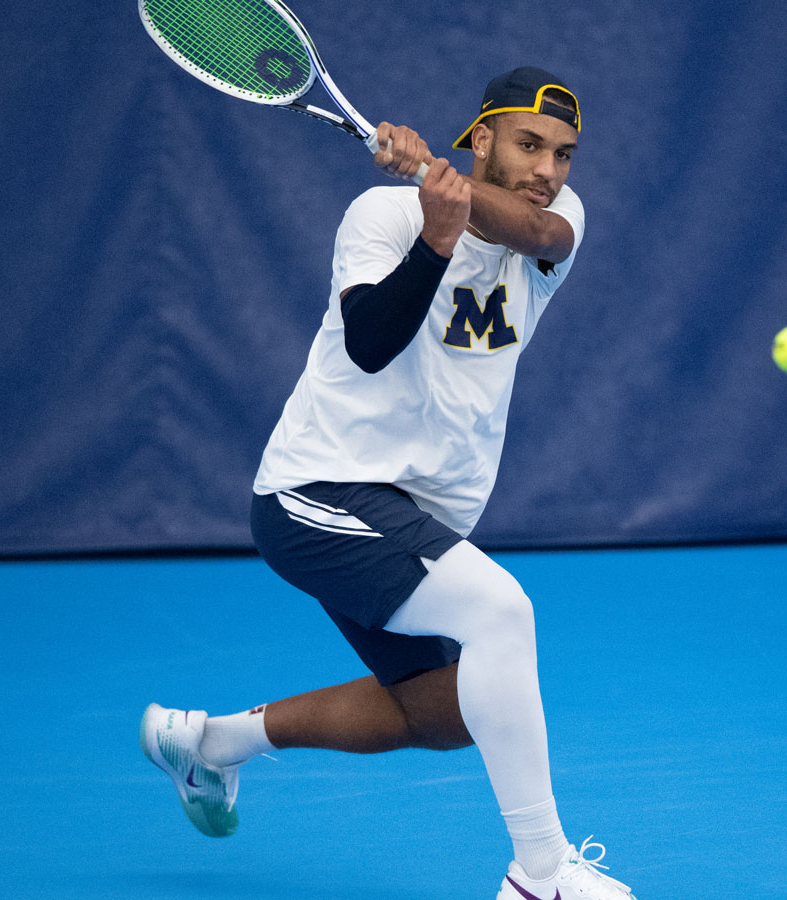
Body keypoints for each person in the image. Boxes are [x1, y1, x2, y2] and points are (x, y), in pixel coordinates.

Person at [141, 66, 636, 900]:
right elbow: (371, 341)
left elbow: (538, 231)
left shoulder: (556, 225)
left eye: (564, 154)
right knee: (502, 614)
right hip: (317, 493)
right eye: (527, 145)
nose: (548, 169)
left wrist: (441, 192)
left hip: (412, 507)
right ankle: (541, 876)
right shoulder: (380, 216)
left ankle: (210, 746)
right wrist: (433, 234)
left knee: (442, 713)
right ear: (480, 140)